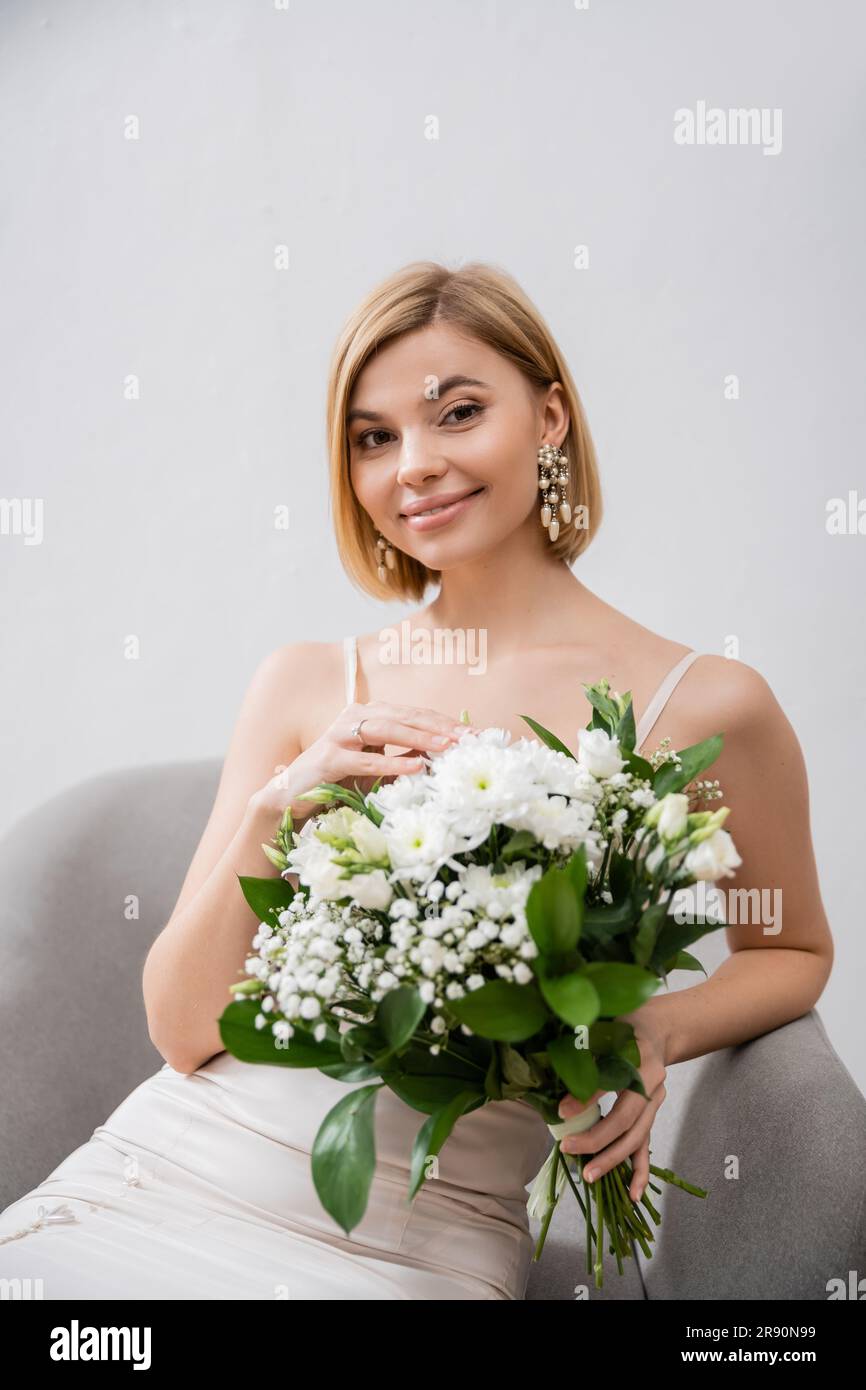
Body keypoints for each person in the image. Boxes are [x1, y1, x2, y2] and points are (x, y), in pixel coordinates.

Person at [0, 260, 833, 1300]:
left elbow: (792, 947)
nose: (415, 465)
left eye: (458, 413)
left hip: (418, 1245)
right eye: (373, 437)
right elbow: (179, 1026)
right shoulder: (307, 682)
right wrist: (275, 809)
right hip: (160, 1180)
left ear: (549, 418)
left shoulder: (703, 705)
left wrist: (644, 1031)